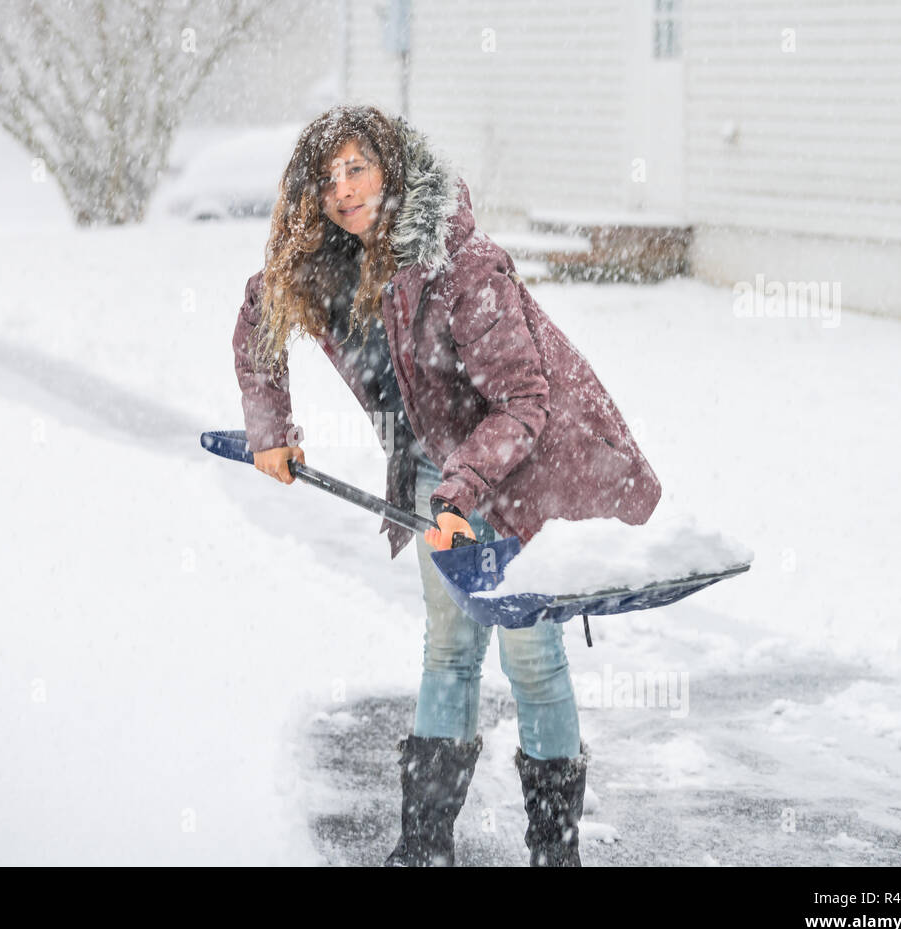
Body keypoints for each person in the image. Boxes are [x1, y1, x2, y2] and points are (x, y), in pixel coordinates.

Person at [231, 105, 662, 866]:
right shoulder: (328, 264)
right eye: (327, 177)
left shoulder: (462, 263)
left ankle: (554, 852)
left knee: (529, 655)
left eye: (357, 168)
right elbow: (257, 319)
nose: (342, 190)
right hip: (440, 475)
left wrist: (462, 490)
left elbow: (525, 399)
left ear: (393, 170)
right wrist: (271, 431)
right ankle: (424, 848)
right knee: (450, 648)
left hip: (522, 473)